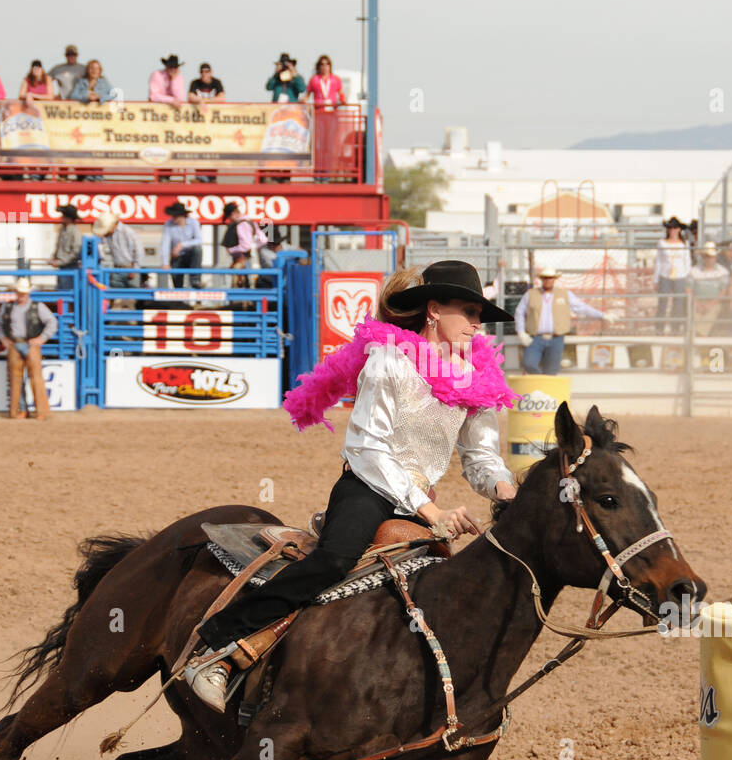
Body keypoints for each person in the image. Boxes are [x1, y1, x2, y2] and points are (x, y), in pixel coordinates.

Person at [187, 260, 518, 712]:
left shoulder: (477, 380)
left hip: (420, 501)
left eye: (482, 315)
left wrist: (503, 487)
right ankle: (217, 646)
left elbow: (479, 454)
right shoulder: (390, 361)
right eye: (470, 311)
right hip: (368, 487)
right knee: (334, 561)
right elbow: (368, 447)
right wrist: (431, 512)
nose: (478, 324)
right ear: (434, 310)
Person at [515, 265, 616, 374]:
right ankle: (541, 382)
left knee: (552, 370)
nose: (548, 280)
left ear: (555, 279)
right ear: (541, 279)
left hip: (556, 338)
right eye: (545, 277)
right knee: (529, 363)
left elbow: (582, 308)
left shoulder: (565, 294)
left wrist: (602, 315)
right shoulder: (530, 294)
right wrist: (521, 332)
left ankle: (545, 388)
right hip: (535, 338)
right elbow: (519, 313)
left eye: (551, 278)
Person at [0, 277, 58, 420]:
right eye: (19, 293)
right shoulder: (9, 307)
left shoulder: (37, 306)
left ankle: (40, 411)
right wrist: (3, 338)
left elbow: (52, 322)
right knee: (17, 379)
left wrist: (42, 338)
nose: (22, 295)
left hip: (31, 344)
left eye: (23, 293)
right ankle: (21, 411)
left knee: (34, 377)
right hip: (15, 344)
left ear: (27, 293)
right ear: (16, 292)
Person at [653, 217, 693, 330]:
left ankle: (675, 328)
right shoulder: (661, 243)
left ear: (679, 229)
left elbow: (687, 261)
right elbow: (659, 261)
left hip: (680, 275)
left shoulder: (684, 244)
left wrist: (688, 279)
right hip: (665, 274)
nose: (672, 230)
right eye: (670, 228)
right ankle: (659, 328)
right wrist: (656, 279)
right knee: (663, 303)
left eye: (675, 228)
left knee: (678, 303)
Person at [160, 201, 202, 289]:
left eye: (176, 215)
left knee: (197, 250)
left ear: (183, 215)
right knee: (177, 283)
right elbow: (165, 243)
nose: (173, 217)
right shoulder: (168, 224)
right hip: (177, 256)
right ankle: (178, 297)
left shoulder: (194, 223)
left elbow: (199, 240)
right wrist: (165, 263)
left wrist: (182, 245)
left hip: (191, 256)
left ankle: (195, 280)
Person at [689, 241, 729, 335]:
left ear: (715, 257)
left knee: (711, 312)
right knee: (694, 313)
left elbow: (723, 291)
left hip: (714, 302)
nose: (709, 259)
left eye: (711, 256)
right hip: (697, 302)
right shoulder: (694, 270)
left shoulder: (722, 271)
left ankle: (698, 336)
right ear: (703, 257)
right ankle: (699, 337)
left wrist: (710, 304)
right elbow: (689, 290)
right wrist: (696, 303)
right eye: (706, 256)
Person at [92, 212, 140, 289]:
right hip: (116, 269)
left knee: (133, 295)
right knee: (116, 293)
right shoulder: (109, 236)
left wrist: (135, 269)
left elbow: (138, 251)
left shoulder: (128, 232)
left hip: (130, 268)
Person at [221, 202, 272, 273]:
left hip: (251, 257)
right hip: (260, 252)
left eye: (229, 218)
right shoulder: (248, 220)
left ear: (232, 214)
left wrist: (231, 250)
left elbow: (246, 246)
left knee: (249, 279)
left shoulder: (241, 224)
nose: (230, 220)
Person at [49, 204, 83, 268]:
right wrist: (53, 257)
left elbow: (76, 251)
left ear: (69, 218)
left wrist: (61, 262)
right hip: (62, 266)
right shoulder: (62, 230)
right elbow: (58, 246)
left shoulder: (75, 232)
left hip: (71, 267)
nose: (62, 218)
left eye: (64, 216)